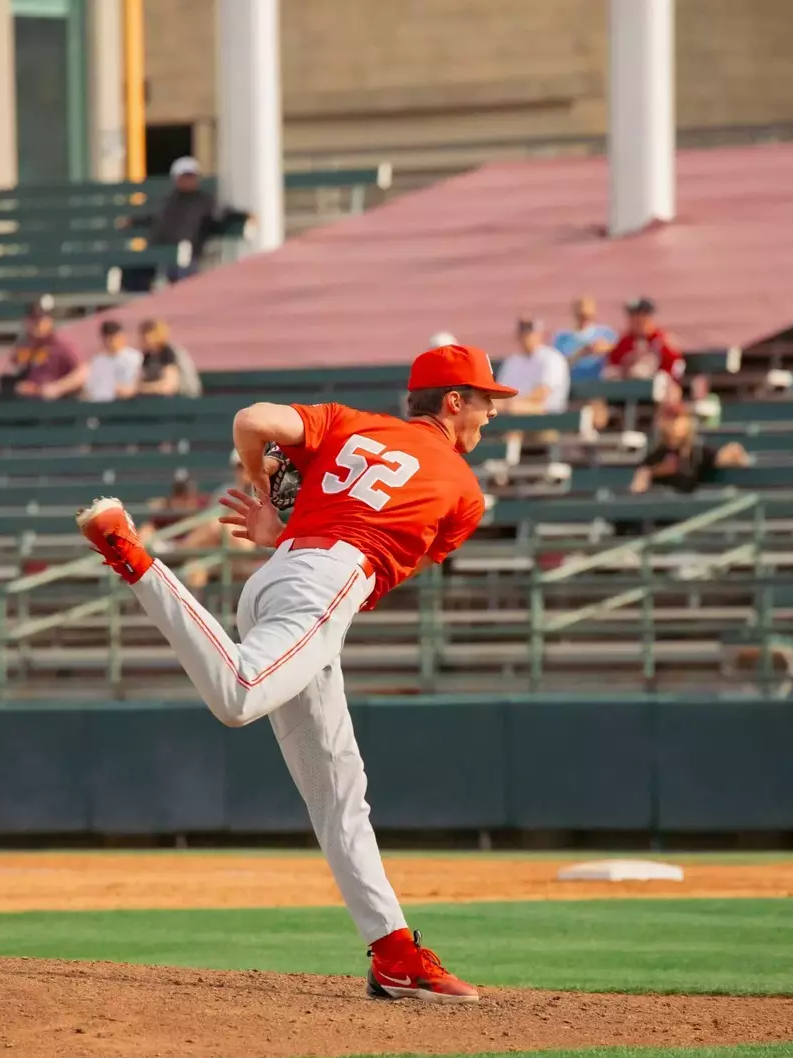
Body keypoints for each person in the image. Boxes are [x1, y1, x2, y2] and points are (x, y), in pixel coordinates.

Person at [76, 343, 518, 1004]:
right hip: (326, 586)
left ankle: (394, 953)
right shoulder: (465, 489)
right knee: (240, 694)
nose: (491, 415)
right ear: (454, 402)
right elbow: (386, 551)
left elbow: (253, 419)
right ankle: (136, 558)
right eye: (485, 400)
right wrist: (293, 522)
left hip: (281, 575)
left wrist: (272, 501)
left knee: (340, 789)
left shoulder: (352, 422)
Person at [147, 156, 232, 282]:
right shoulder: (169, 201)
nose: (188, 180)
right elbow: (156, 221)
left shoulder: (204, 200)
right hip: (166, 251)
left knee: (185, 273)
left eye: (191, 176)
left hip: (192, 253)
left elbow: (216, 219)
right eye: (184, 176)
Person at [629, 411, 749, 495]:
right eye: (669, 420)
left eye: (676, 419)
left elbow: (725, 455)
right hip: (660, 507)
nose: (671, 426)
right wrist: (655, 472)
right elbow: (639, 482)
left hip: (686, 506)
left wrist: (736, 453)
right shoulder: (657, 454)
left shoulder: (698, 452)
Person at [1, 301, 85, 400]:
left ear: (50, 321)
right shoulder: (31, 344)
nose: (36, 324)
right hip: (32, 399)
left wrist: (58, 387)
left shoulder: (61, 343)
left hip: (58, 401)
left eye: (40, 319)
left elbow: (83, 372)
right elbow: (15, 363)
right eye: (33, 319)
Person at [606, 297, 685, 389]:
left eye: (640, 317)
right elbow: (614, 363)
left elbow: (675, 366)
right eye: (633, 317)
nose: (635, 322)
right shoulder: (625, 341)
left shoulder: (660, 340)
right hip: (627, 390)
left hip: (657, 389)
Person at [495, 317, 570, 414]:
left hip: (546, 415)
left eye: (529, 332)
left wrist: (511, 403)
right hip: (512, 411)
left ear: (539, 334)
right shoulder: (512, 361)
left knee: (513, 408)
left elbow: (541, 394)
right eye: (523, 333)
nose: (526, 337)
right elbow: (501, 392)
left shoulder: (552, 358)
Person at [552, 296, 618, 382]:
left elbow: (618, 356)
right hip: (573, 386)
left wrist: (607, 348)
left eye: (588, 315)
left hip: (599, 385)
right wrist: (580, 353)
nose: (585, 319)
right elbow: (557, 365)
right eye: (581, 315)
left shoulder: (607, 334)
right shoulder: (562, 338)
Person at [137, 319, 203, 397]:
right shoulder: (148, 357)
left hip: (185, 398)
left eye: (145, 338)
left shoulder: (169, 353)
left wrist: (143, 388)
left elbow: (169, 387)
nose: (141, 341)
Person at [83, 321, 143, 403]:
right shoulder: (97, 361)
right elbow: (90, 388)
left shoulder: (135, 357)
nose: (109, 342)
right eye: (106, 338)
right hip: (100, 405)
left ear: (122, 337)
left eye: (112, 338)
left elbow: (138, 383)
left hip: (126, 404)